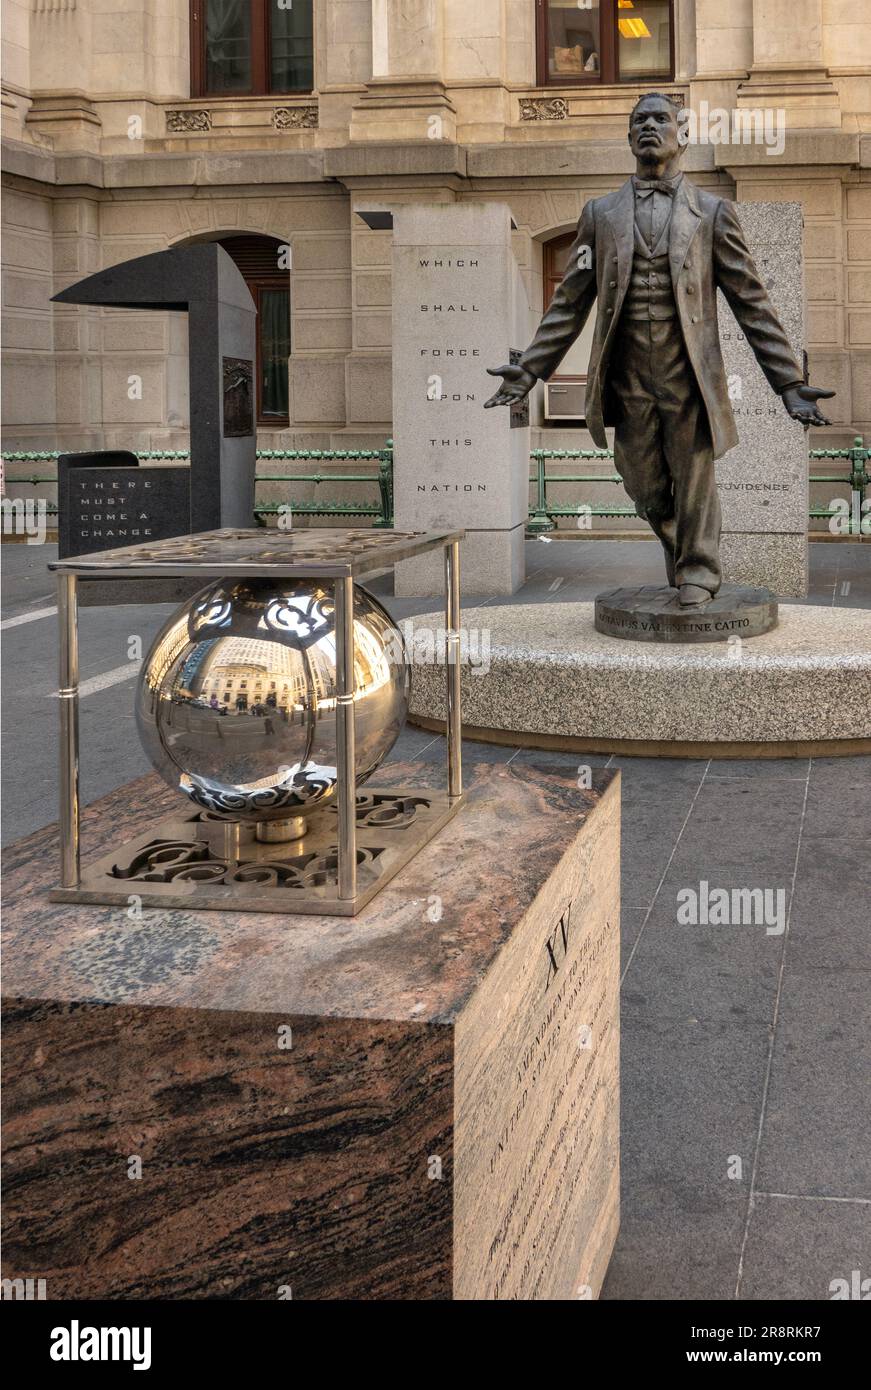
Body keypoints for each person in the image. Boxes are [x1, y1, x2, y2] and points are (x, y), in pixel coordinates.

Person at [485, 92, 834, 607]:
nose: (650, 126)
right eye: (639, 120)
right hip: (626, 376)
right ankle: (680, 545)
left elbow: (750, 301)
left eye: (660, 118)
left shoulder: (713, 213)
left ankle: (699, 570)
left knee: (694, 475)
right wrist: (530, 370)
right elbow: (569, 302)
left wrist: (788, 382)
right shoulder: (600, 215)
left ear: (681, 134)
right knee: (644, 484)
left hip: (689, 373)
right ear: (629, 138)